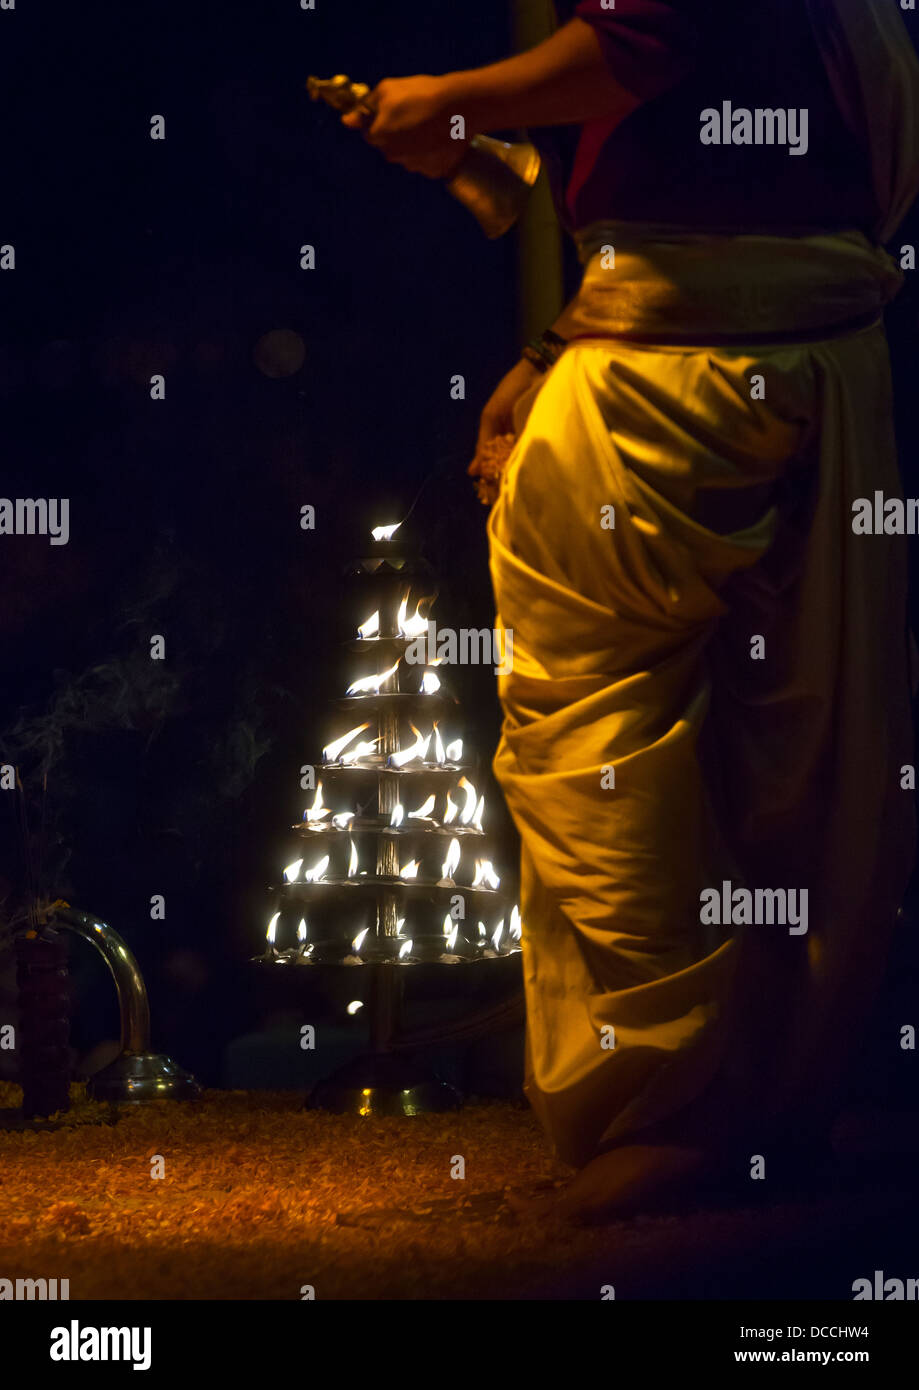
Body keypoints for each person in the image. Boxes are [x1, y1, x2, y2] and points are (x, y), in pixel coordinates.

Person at [342, 0, 919, 1222]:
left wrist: (456, 100)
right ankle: (784, 1093)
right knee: (802, 737)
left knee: (595, 726)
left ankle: (676, 1104)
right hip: (817, 340)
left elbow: (652, 33)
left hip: (673, 375)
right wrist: (564, 339)